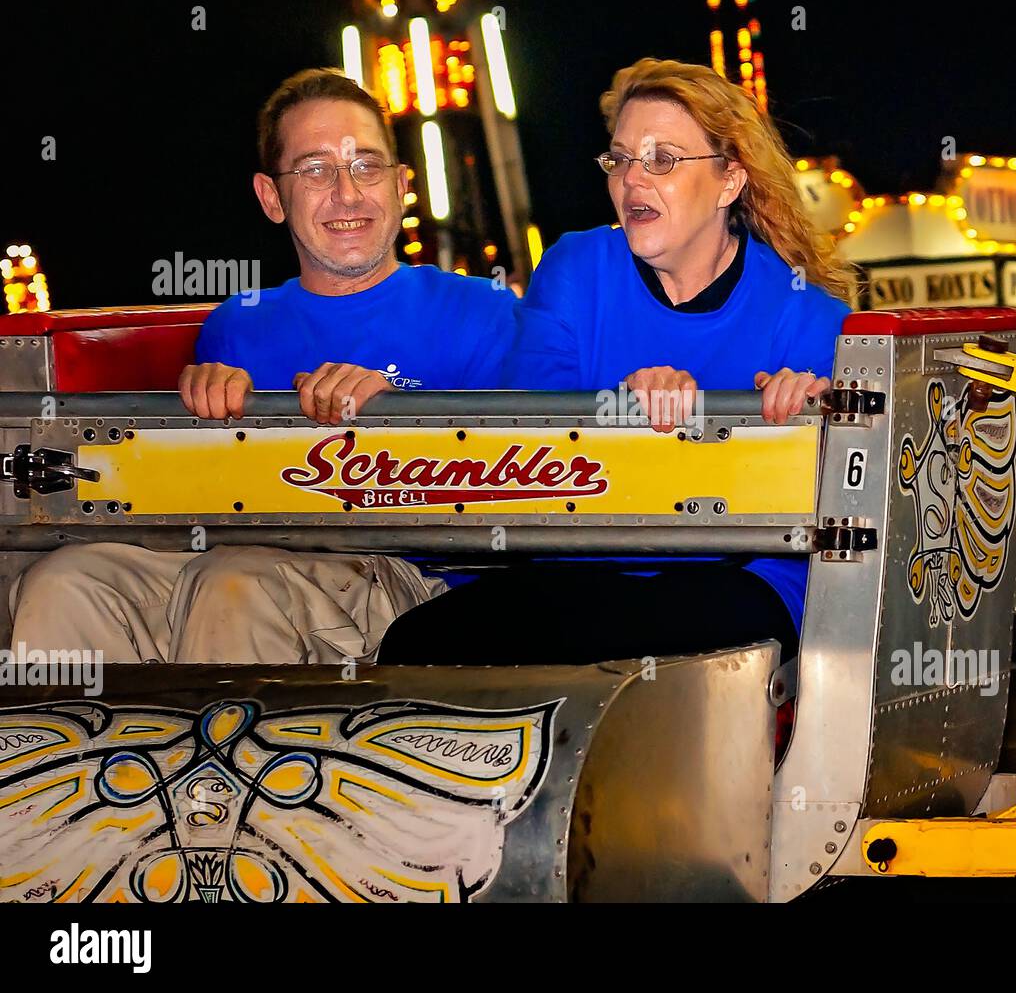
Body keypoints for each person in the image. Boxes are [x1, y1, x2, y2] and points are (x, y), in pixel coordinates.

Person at [10, 68, 517, 665]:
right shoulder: (237, 325)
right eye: (315, 170)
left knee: (236, 584)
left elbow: (526, 501)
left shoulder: (485, 313)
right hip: (243, 559)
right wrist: (196, 410)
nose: (347, 193)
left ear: (403, 184)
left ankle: (237, 754)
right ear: (272, 197)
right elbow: (203, 507)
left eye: (366, 166)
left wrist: (402, 421)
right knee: (63, 582)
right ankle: (91, 756)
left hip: (412, 578)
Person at [379, 57, 854, 666]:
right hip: (582, 561)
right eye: (621, 158)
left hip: (739, 572)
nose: (633, 180)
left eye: (661, 160)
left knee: (658, 635)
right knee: (417, 643)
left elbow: (839, 488)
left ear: (730, 182)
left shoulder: (806, 314)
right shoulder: (577, 268)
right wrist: (621, 408)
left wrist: (799, 418)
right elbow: (527, 435)